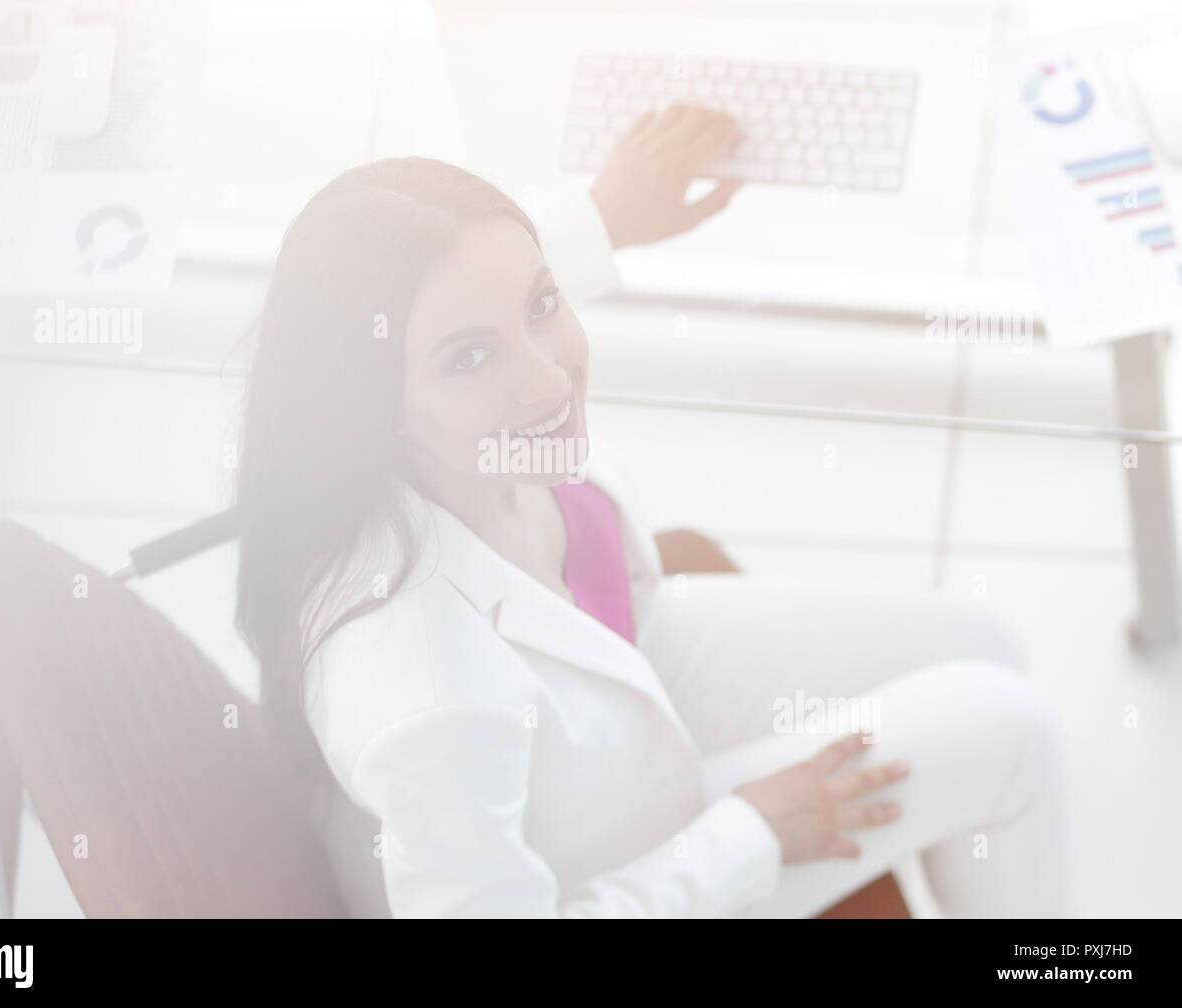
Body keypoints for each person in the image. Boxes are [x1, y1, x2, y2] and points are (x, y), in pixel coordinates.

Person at [232, 153, 1074, 918]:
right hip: (607, 855)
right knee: (1013, 731)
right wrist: (750, 835)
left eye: (543, 304)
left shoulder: (429, 411)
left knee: (986, 644)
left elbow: (471, 288)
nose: (547, 379)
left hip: (622, 674)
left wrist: (607, 217)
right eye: (471, 360)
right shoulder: (426, 696)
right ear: (371, 404)